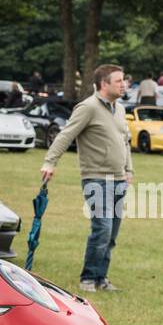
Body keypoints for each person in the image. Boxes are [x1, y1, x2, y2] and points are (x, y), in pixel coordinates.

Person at [40, 63, 133, 294]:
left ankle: (102, 278)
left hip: (119, 179)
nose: (124, 84)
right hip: (96, 179)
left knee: (111, 234)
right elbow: (66, 135)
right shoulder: (88, 107)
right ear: (104, 84)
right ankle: (88, 278)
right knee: (101, 229)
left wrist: (129, 170)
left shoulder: (119, 109)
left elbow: (125, 141)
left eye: (124, 80)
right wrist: (50, 162)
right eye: (119, 81)